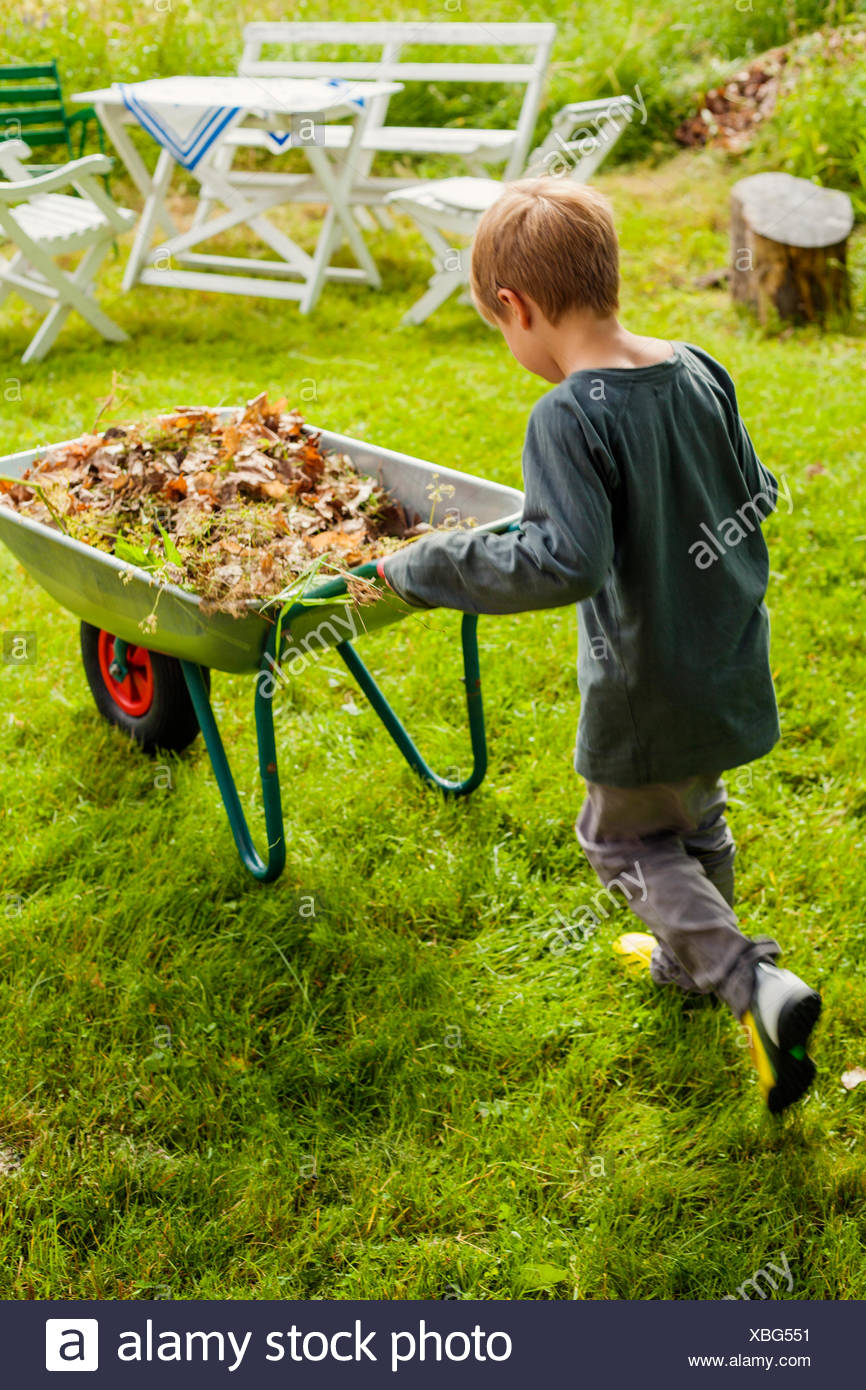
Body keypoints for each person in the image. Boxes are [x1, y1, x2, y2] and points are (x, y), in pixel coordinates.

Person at [378, 177, 821, 1114]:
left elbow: (564, 563)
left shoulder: (568, 416)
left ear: (517, 306)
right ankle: (683, 961)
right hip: (729, 656)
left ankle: (751, 982)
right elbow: (760, 490)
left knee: (625, 839)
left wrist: (427, 566)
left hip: (644, 688)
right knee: (696, 819)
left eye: (501, 330)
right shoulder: (697, 366)